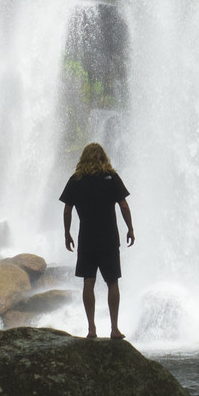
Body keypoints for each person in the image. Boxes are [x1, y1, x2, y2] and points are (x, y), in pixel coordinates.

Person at [59, 141, 135, 340]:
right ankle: (114, 329)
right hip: (109, 237)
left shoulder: (76, 179)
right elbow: (124, 206)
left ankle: (91, 329)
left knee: (88, 281)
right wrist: (130, 229)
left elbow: (67, 209)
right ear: (103, 157)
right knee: (112, 282)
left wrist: (67, 234)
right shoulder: (111, 178)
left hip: (87, 238)